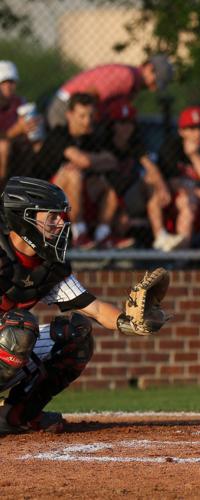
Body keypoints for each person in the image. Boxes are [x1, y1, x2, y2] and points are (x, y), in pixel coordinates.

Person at [0, 177, 170, 434]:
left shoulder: (49, 267)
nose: (61, 224)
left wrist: (130, 322)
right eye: (52, 217)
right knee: (19, 328)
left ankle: (16, 416)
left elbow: (96, 309)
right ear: (25, 217)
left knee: (76, 334)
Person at [38, 93, 118, 249]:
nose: (87, 121)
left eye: (90, 116)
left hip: (76, 195)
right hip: (45, 198)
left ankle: (103, 234)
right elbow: (83, 161)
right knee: (73, 173)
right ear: (69, 115)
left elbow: (112, 161)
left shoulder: (90, 137)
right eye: (82, 116)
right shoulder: (58, 134)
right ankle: (78, 232)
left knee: (105, 183)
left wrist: (89, 161)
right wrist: (92, 161)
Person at [101, 99, 178, 250]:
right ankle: (102, 235)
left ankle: (160, 236)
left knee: (149, 180)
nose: (126, 128)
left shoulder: (135, 144)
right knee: (110, 193)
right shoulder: (103, 144)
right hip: (106, 199)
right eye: (121, 123)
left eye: (129, 123)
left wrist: (162, 187)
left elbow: (150, 166)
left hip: (129, 196)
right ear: (112, 125)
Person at [157, 105, 200, 251]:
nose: (197, 133)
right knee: (187, 201)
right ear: (181, 131)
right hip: (174, 200)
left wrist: (195, 157)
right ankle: (182, 257)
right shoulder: (172, 147)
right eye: (192, 129)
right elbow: (174, 184)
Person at [46, 54, 173, 129]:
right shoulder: (127, 77)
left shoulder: (134, 83)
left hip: (72, 108)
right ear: (149, 68)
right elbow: (90, 95)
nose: (154, 88)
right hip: (67, 106)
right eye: (156, 82)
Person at [0, 61, 43, 183]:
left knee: (38, 144)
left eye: (11, 82)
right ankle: (2, 186)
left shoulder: (20, 102)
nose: (8, 86)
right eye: (3, 82)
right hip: (5, 145)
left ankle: (31, 183)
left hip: (17, 142)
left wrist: (35, 125)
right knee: (3, 146)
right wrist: (16, 130)